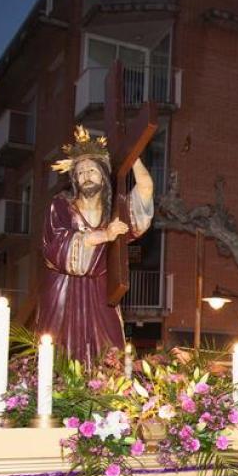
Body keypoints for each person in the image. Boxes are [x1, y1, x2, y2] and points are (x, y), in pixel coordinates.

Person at [38, 126, 154, 362]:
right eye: (80, 173)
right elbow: (54, 246)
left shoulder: (114, 212)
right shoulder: (61, 205)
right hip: (63, 290)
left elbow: (145, 189)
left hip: (101, 291)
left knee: (109, 350)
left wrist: (133, 157)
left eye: (92, 170)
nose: (86, 175)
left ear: (103, 175)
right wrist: (104, 235)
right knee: (59, 353)